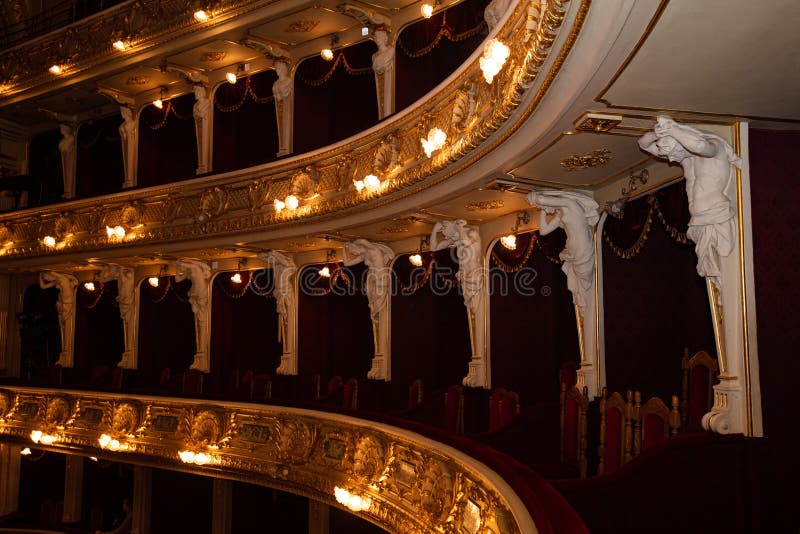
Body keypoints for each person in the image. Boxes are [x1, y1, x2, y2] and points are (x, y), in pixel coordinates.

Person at [638, 116, 741, 286]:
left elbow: (700, 146)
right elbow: (643, 144)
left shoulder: (715, 147)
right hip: (698, 223)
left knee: (726, 274)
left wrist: (673, 129)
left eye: (672, 153)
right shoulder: (685, 159)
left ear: (681, 141)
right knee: (714, 275)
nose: (671, 159)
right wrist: (657, 134)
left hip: (716, 217)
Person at [526, 191, 599, 311]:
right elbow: (543, 231)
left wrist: (535, 198)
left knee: (585, 281)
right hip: (572, 250)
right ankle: (583, 306)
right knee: (579, 283)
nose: (548, 209)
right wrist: (543, 210)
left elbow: (543, 200)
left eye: (546, 207)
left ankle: (587, 307)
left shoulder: (570, 203)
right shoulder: (560, 213)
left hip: (582, 247)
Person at [343, 239, 394, 320]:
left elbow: (362, 241)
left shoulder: (373, 250)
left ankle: (376, 317)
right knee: (371, 299)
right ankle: (374, 315)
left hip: (380, 276)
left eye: (353, 251)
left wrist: (351, 243)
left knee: (378, 301)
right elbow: (346, 263)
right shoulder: (363, 256)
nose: (353, 254)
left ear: (357, 247)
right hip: (371, 276)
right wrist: (344, 248)